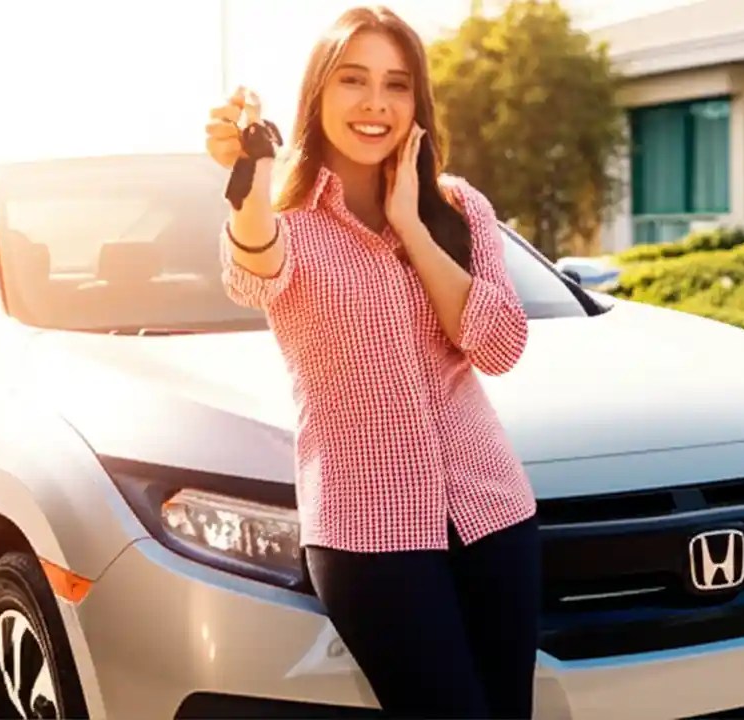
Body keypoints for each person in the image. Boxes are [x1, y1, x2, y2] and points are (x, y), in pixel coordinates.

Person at [204, 5, 540, 718]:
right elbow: (252, 269)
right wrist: (249, 175)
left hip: (494, 513)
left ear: (417, 102)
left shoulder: (460, 208)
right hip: (370, 535)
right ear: (318, 93)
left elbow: (500, 345)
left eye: (396, 84)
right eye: (353, 80)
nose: (375, 104)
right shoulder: (289, 227)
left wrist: (412, 225)